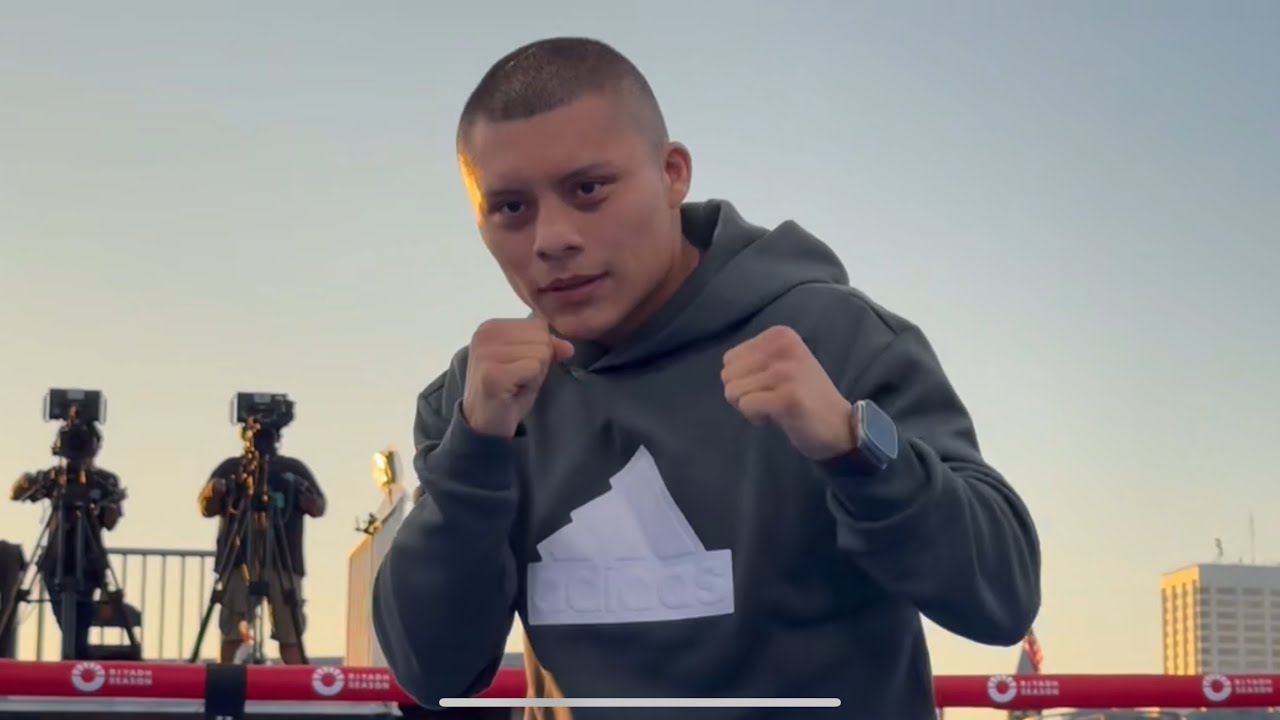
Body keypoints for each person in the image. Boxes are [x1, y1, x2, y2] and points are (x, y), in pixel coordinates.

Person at [373, 36, 1042, 719]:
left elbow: (1003, 597)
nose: (552, 238)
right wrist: (475, 453)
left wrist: (854, 446)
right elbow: (432, 670)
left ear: (672, 174)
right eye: (511, 208)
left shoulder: (837, 340)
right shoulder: (481, 399)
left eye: (588, 189)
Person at [198, 427, 325, 664]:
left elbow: (319, 507)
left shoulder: (292, 470)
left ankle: (297, 690)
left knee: (290, 633)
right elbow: (206, 507)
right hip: (239, 559)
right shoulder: (232, 468)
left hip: (283, 561)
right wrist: (217, 489)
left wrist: (302, 496)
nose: (263, 443)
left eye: (268, 436)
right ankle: (225, 684)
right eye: (257, 436)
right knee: (233, 631)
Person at [10, 423, 125, 660]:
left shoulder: (104, 481)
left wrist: (109, 504)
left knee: (78, 628)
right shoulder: (54, 478)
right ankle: (77, 659)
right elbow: (17, 494)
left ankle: (77, 662)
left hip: (88, 561)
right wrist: (26, 482)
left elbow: (111, 521)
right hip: (55, 560)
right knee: (67, 625)